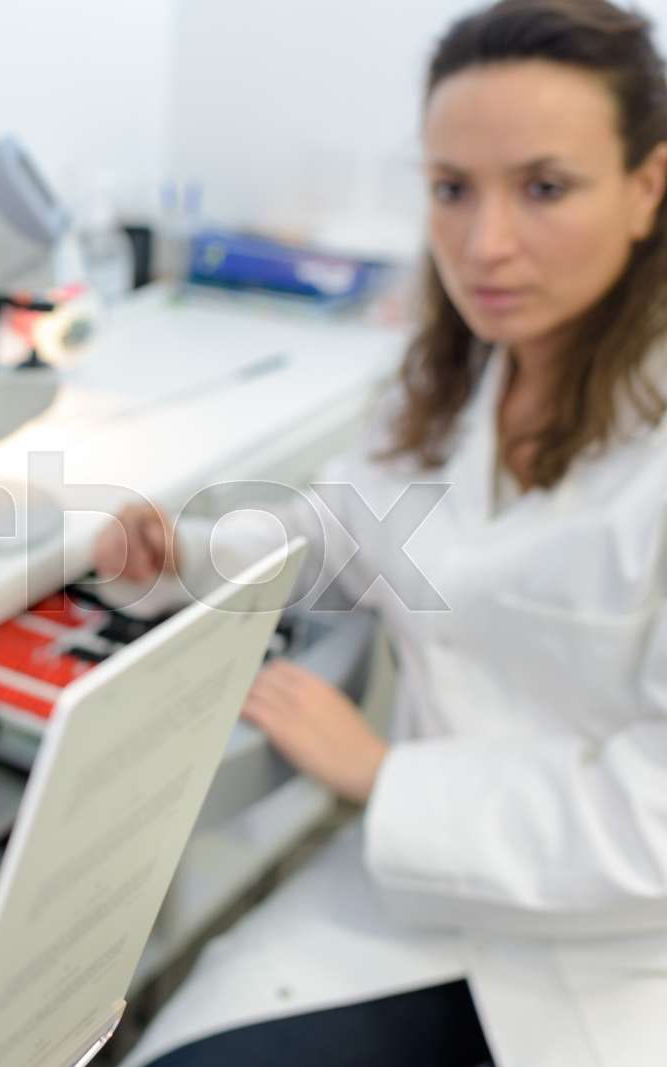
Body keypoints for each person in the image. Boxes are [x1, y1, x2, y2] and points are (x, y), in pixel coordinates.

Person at [95, 1, 667, 1064]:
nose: (484, 244)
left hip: (620, 957)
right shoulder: (460, 374)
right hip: (415, 901)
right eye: (452, 188)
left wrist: (379, 776)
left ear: (647, 186)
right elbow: (356, 534)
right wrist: (192, 555)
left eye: (544, 188)